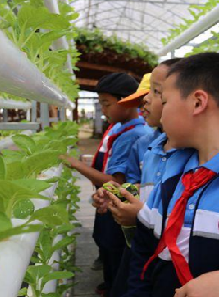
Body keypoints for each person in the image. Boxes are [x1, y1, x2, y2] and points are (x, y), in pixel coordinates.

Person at [122, 52, 219, 297]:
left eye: (164, 102)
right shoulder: (173, 175)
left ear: (197, 102)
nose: (160, 112)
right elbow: (143, 255)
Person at [93, 59, 186, 297]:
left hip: (167, 258)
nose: (144, 100)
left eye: (157, 92)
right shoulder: (152, 146)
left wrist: (142, 216)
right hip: (140, 246)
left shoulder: (195, 158)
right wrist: (116, 193)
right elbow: (143, 186)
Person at [63, 73, 149, 296]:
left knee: (116, 248)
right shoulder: (119, 129)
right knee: (109, 246)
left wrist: (75, 165)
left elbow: (115, 182)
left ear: (127, 102)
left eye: (106, 104)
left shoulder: (133, 135)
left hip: (119, 202)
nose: (104, 110)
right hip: (112, 199)